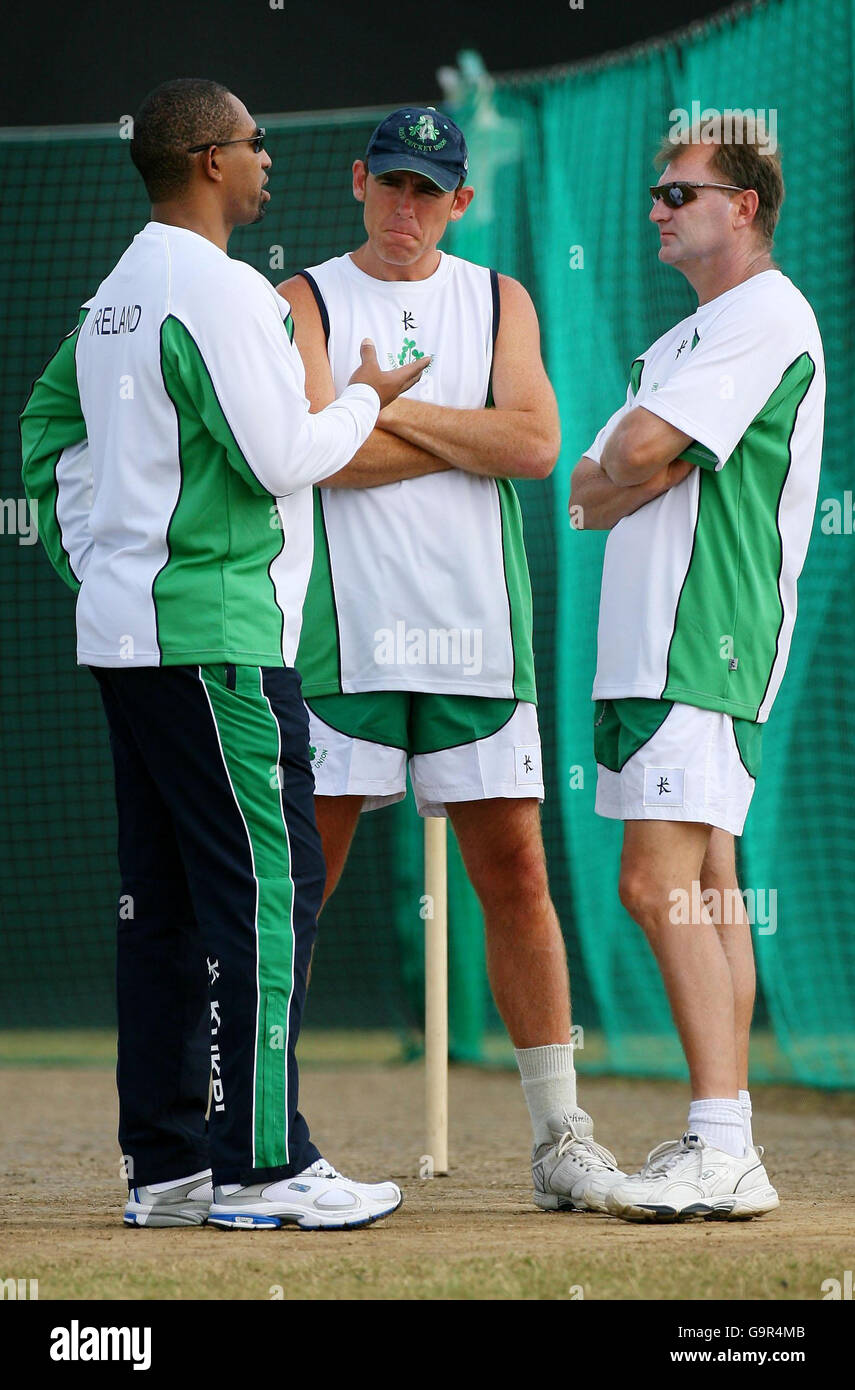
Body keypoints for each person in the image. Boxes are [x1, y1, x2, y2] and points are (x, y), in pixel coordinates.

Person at [20, 77, 430, 1231]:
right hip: (219, 647)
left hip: (136, 645)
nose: (266, 160)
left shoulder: (113, 293)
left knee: (161, 906)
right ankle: (261, 1168)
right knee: (267, 890)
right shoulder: (222, 287)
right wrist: (361, 398)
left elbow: (47, 433)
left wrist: (103, 566)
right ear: (208, 159)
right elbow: (281, 455)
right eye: (254, 143)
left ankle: (167, 1165)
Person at [278, 106, 623, 1213]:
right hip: (345, 635)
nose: (407, 208)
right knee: (301, 885)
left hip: (480, 635)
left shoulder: (498, 296)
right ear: (358, 182)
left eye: (430, 190)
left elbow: (533, 443)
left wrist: (379, 407)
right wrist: (442, 423)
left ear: (460, 201)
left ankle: (560, 1137)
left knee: (515, 875)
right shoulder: (306, 299)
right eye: (391, 184)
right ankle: (254, 1133)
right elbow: (316, 460)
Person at [570, 121, 825, 1222]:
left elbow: (624, 457)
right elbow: (587, 488)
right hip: (646, 647)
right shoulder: (685, 339)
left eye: (681, 193)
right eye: (657, 195)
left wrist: (641, 457)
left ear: (746, 205)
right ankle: (729, 1143)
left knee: (653, 882)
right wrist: (642, 457)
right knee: (712, 885)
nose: (659, 209)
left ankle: (722, 1140)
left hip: (704, 637)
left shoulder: (769, 312)